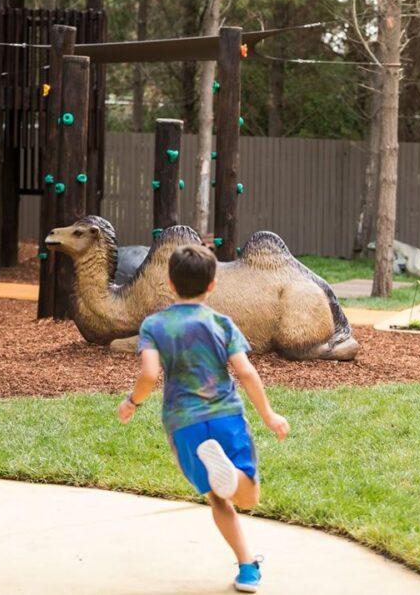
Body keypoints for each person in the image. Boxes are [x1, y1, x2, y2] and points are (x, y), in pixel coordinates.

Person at [117, 244, 290, 593]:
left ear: (169, 281)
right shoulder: (221, 323)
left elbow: (150, 374)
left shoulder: (155, 325)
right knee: (248, 497)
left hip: (184, 422)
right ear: (212, 285)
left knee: (217, 496)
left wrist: (132, 402)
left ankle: (247, 567)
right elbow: (245, 371)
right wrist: (269, 414)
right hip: (226, 415)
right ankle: (235, 476)